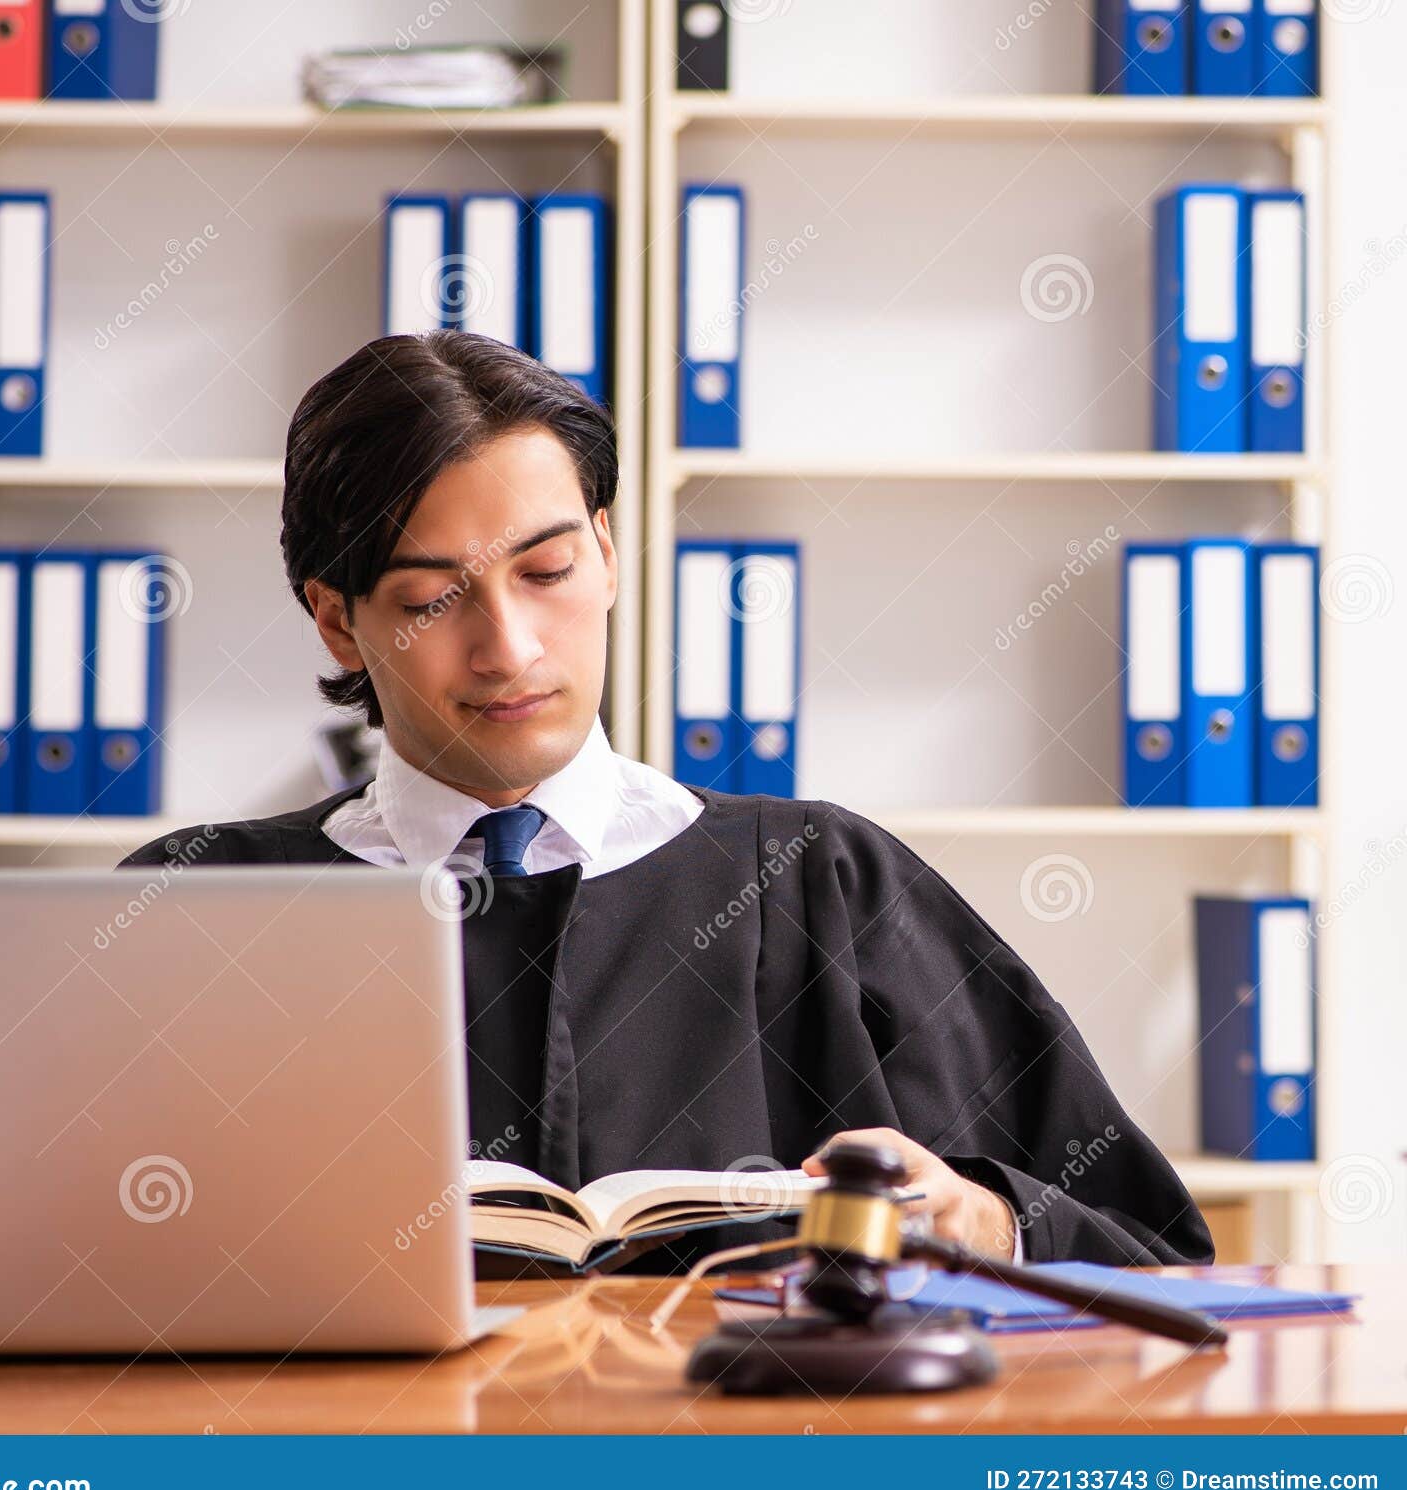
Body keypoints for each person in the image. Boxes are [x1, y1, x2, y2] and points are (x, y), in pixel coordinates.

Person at [121, 331, 1212, 1270]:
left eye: (546, 571)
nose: (508, 647)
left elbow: (1154, 1253)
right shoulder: (199, 907)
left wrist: (982, 1219)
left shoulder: (821, 881)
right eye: (433, 598)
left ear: (605, 553)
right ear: (338, 621)